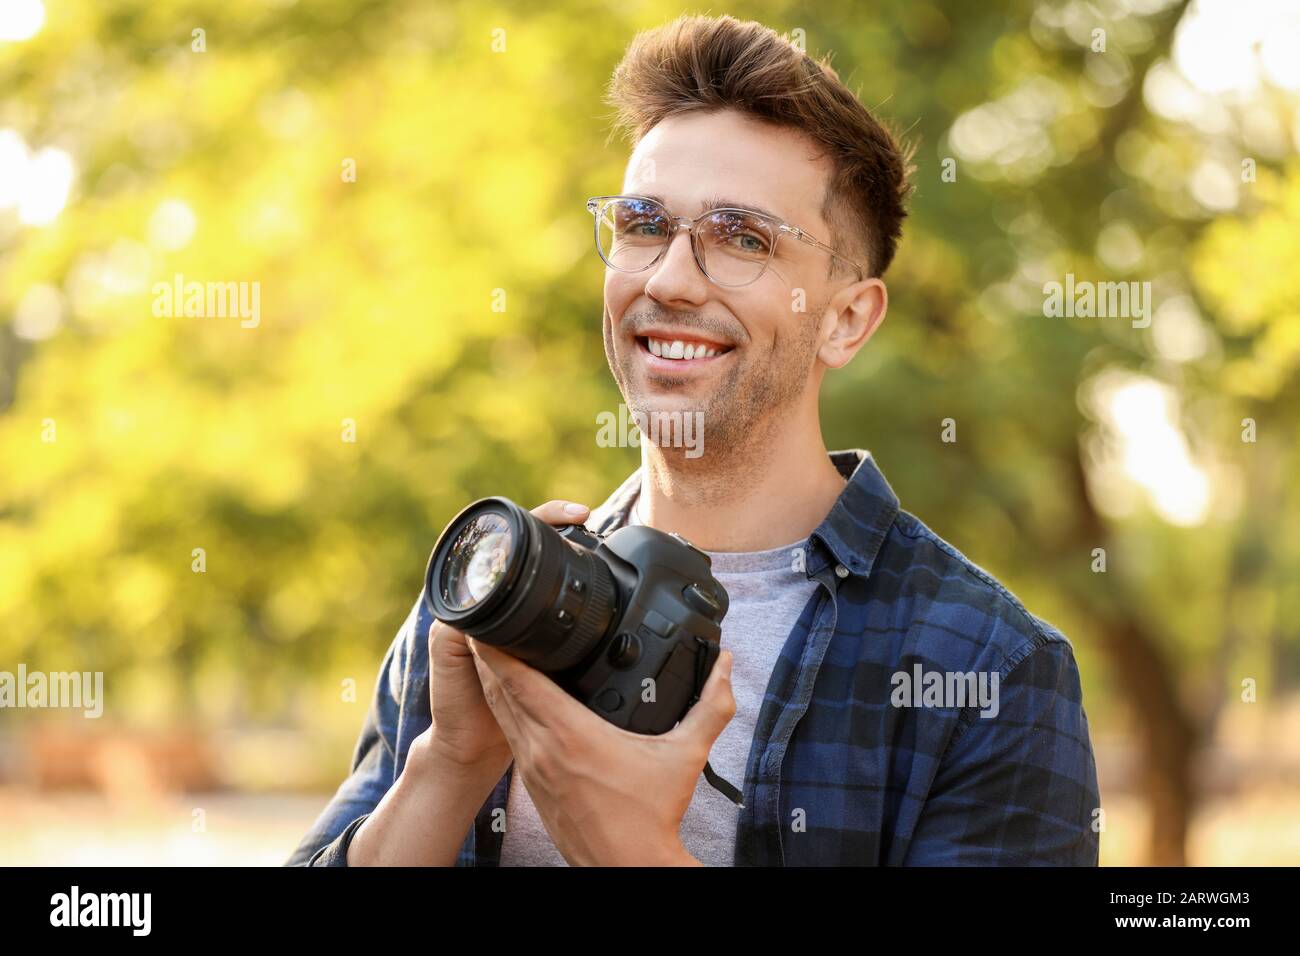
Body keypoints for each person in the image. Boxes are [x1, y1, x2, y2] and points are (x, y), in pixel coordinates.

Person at [288, 14, 1100, 867]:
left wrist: (626, 845)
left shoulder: (991, 669)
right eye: (643, 224)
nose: (670, 278)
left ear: (846, 320)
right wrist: (449, 767)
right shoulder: (486, 594)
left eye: (742, 238)